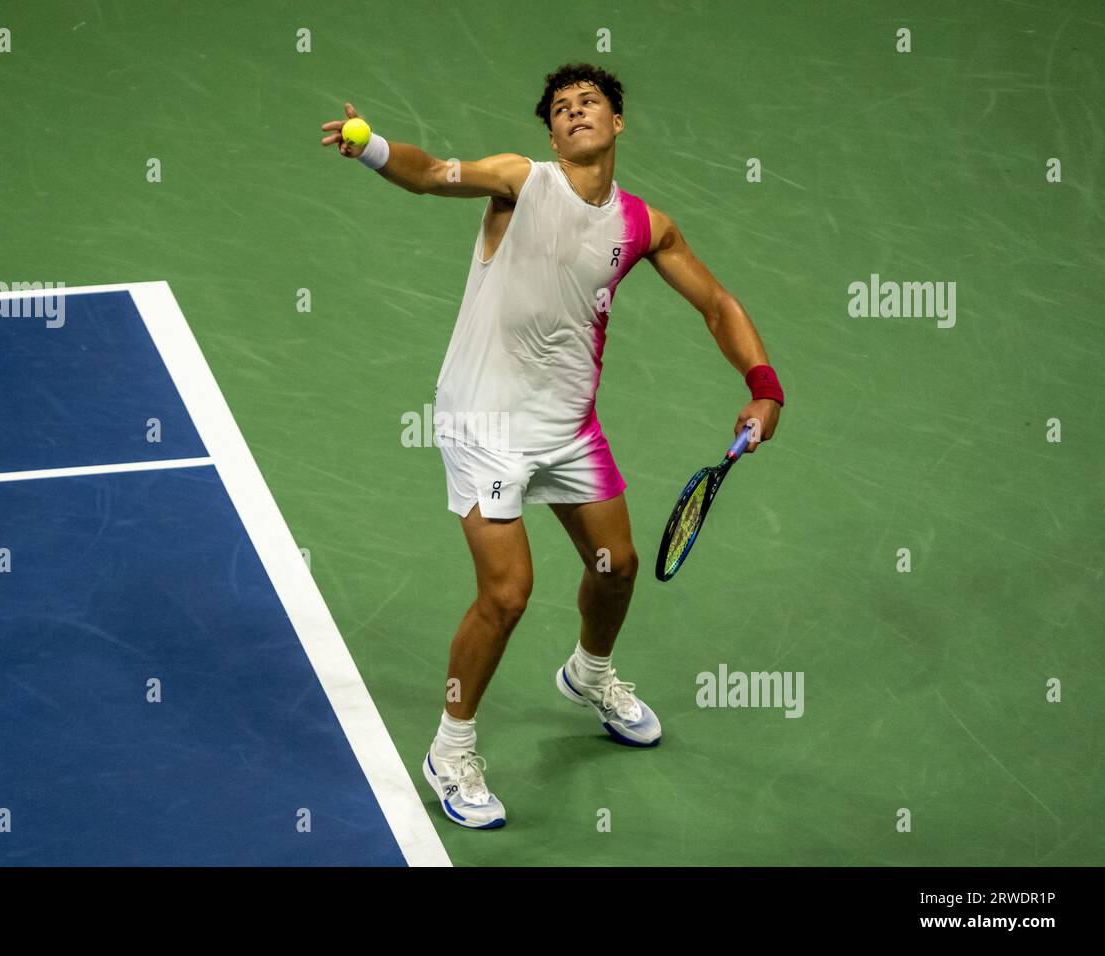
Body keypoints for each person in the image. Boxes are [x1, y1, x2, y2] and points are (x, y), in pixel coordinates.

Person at [320, 63, 785, 829]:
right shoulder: (518, 181)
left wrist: (764, 386)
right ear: (551, 133)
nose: (575, 114)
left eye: (589, 103)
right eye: (562, 109)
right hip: (484, 421)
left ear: (617, 123)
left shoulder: (644, 225)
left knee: (618, 566)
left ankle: (588, 674)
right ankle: (450, 746)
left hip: (567, 426)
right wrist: (371, 147)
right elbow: (434, 175)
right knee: (507, 594)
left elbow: (717, 303)